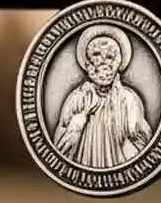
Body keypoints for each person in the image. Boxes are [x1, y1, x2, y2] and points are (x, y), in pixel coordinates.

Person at [52, 25, 153, 168]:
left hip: (121, 173)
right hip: (83, 169)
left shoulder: (128, 99)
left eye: (110, 56)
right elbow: (59, 149)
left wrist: (130, 131)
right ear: (87, 63)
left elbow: (144, 147)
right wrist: (75, 127)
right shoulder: (77, 99)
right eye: (96, 55)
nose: (103, 62)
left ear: (118, 64)